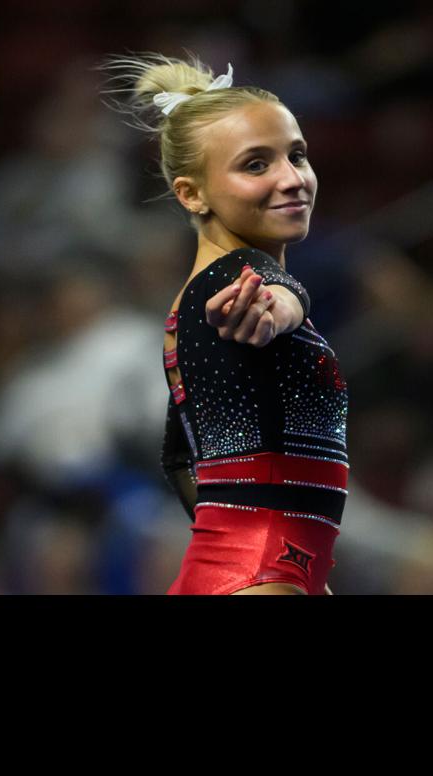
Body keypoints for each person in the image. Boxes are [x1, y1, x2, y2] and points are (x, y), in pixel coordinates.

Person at [103, 54, 347, 595]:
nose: (291, 178)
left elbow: (179, 459)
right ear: (192, 193)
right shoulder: (233, 287)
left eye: (297, 155)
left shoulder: (186, 310)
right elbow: (276, 289)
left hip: (245, 572)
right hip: (258, 574)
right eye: (256, 165)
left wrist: (282, 559)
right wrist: (286, 304)